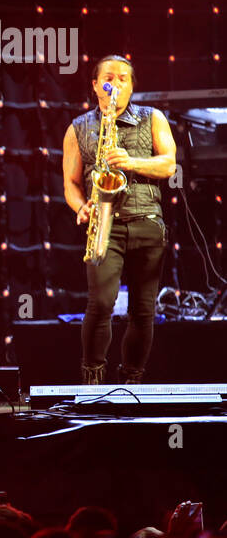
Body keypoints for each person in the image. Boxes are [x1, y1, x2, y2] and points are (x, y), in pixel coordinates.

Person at [62, 54, 176, 387]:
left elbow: (169, 165)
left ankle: (132, 383)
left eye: (125, 78)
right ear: (96, 85)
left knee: (143, 310)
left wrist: (131, 161)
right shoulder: (78, 127)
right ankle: (93, 384)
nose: (118, 83)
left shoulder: (153, 118)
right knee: (99, 304)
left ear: (132, 86)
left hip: (147, 221)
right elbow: (70, 182)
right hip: (105, 225)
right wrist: (81, 206)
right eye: (110, 77)